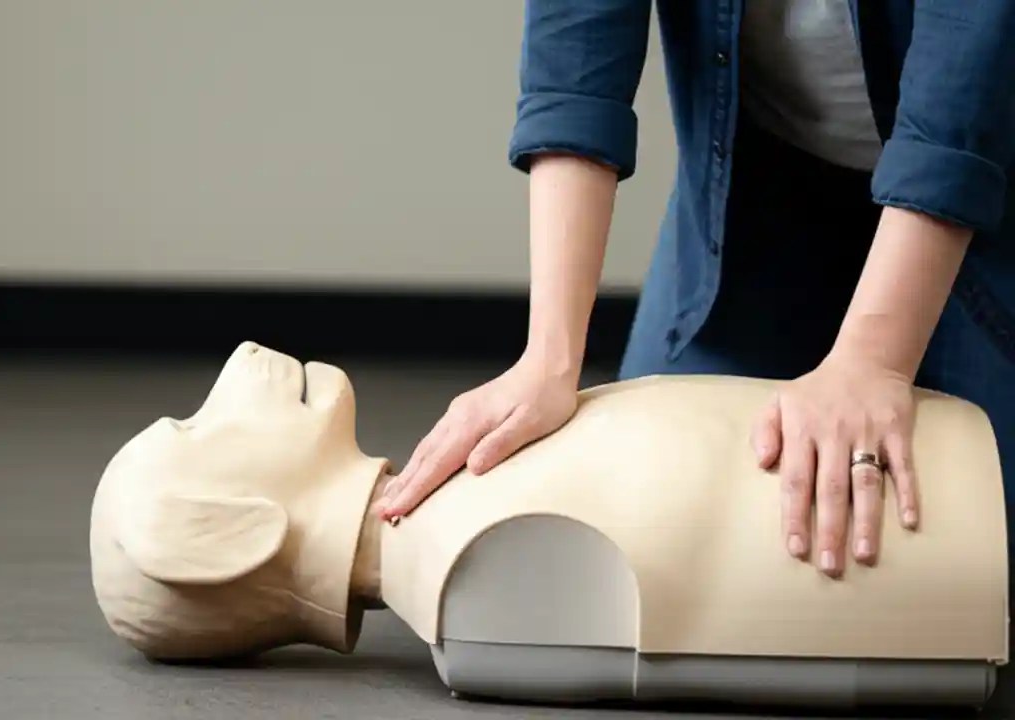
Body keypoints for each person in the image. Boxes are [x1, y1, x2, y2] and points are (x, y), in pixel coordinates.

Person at [376, 0, 1015, 579]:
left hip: (990, 195)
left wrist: (872, 363)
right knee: (645, 528)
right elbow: (575, 65)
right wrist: (547, 360)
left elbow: (960, 98)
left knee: (973, 560)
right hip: (763, 190)